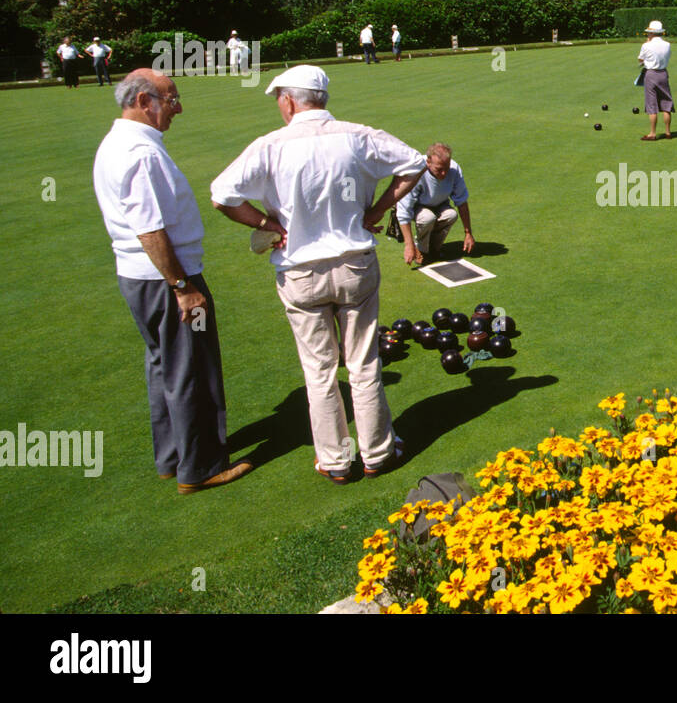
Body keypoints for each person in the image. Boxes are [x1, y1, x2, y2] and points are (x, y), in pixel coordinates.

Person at [210, 65, 425, 483]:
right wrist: (376, 211)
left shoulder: (269, 145)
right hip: (355, 265)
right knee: (363, 363)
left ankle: (335, 460)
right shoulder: (358, 135)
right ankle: (377, 453)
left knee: (320, 370)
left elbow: (221, 196)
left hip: (299, 272)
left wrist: (266, 225)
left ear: (289, 101)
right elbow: (413, 163)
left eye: (278, 99)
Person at [92, 69, 252, 494]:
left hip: (141, 279)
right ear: (145, 102)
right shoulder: (140, 153)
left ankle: (173, 456)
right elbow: (150, 229)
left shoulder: (119, 142)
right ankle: (200, 467)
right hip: (167, 281)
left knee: (164, 366)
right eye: (172, 98)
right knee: (192, 367)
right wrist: (184, 287)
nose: (178, 108)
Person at [394, 142, 475, 266]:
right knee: (427, 217)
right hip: (418, 207)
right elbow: (404, 211)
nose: (443, 174)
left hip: (440, 204)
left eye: (446, 168)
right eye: (439, 169)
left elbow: (462, 202)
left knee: (451, 214)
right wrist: (409, 245)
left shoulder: (454, 169)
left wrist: (468, 233)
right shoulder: (415, 171)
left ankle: (434, 249)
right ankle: (421, 249)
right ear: (428, 162)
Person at [638, 20, 673, 140]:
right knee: (666, 103)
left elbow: (640, 59)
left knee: (652, 104)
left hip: (651, 74)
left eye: (649, 33)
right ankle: (668, 132)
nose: (647, 34)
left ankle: (652, 133)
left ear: (652, 33)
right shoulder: (667, 45)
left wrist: (647, 43)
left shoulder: (646, 45)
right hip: (663, 73)